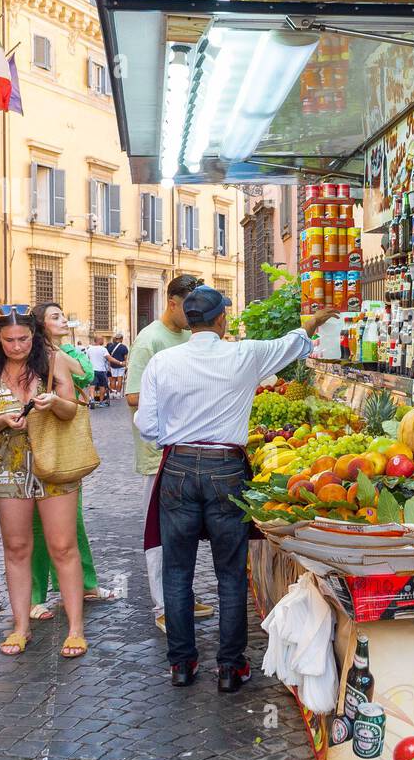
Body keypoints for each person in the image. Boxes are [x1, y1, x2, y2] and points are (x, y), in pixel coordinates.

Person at [136, 285, 335, 690]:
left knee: (177, 571)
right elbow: (294, 344)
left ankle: (181, 664)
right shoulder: (244, 354)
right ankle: (229, 667)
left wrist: (173, 439)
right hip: (226, 467)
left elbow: (146, 424)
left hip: (177, 466)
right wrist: (313, 320)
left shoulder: (163, 361)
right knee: (229, 572)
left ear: (189, 320)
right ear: (222, 319)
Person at [0, 305, 87, 658]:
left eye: (23, 338)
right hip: (9, 463)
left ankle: (75, 628)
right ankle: (20, 625)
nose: (17, 346)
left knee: (62, 546)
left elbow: (72, 409)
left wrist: (54, 400)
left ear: (34, 336)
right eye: (9, 340)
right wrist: (3, 420)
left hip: (53, 461)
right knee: (17, 547)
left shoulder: (52, 361)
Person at [126, 275, 213, 632]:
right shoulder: (150, 340)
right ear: (173, 302)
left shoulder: (187, 336)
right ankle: (163, 607)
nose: (194, 313)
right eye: (189, 306)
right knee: (160, 534)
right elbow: (133, 396)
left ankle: (183, 598)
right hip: (157, 454)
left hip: (189, 450)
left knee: (185, 533)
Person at [27, 303, 115, 621]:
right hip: (37, 441)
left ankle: (83, 584)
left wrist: (61, 347)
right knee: (36, 525)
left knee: (72, 520)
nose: (64, 319)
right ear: (39, 325)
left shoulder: (64, 352)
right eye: (55, 317)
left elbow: (86, 374)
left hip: (63, 439)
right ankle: (36, 595)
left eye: (64, 314)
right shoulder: (35, 356)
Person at [86, 338, 112, 408]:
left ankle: (92, 399)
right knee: (102, 386)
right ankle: (101, 402)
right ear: (99, 340)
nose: (103, 341)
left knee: (92, 385)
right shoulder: (103, 349)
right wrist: (120, 363)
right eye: (102, 339)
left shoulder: (89, 349)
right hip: (101, 370)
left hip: (92, 370)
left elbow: (86, 360)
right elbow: (109, 359)